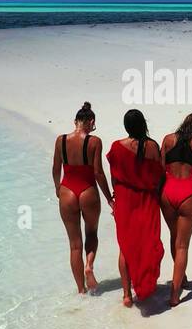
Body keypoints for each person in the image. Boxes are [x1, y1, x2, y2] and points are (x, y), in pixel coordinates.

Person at [106, 110, 165, 307]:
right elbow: (158, 177)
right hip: (147, 200)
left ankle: (126, 294)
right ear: (143, 124)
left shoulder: (116, 146)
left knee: (125, 246)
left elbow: (114, 177)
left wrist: (115, 196)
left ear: (126, 126)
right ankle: (146, 284)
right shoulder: (153, 147)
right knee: (149, 243)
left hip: (124, 199)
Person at [52, 102, 112, 293]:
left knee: (74, 244)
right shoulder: (94, 142)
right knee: (92, 234)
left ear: (75, 121)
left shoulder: (60, 140)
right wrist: (109, 197)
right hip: (88, 191)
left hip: (67, 190)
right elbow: (98, 173)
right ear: (91, 122)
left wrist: (57, 188)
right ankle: (89, 265)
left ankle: (81, 290)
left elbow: (55, 169)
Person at [160, 113, 192, 308]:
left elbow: (159, 168)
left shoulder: (168, 139)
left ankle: (182, 278)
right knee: (182, 245)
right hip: (188, 193)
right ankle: (174, 295)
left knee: (174, 237)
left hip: (167, 193)